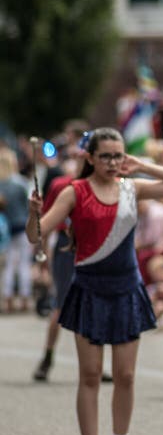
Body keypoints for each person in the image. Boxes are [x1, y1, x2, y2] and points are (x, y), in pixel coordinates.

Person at [26, 127, 163, 435]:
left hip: (127, 288)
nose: (113, 162)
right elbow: (37, 234)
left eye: (118, 155)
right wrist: (32, 212)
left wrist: (143, 164)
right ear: (90, 158)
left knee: (126, 376)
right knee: (90, 375)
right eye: (106, 156)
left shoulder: (133, 187)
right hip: (90, 289)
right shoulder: (74, 192)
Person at [32, 147, 82, 381]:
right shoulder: (62, 184)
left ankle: (94, 363)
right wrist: (41, 250)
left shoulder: (107, 185)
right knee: (62, 305)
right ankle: (48, 356)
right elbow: (46, 222)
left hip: (95, 246)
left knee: (94, 305)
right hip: (66, 247)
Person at [0, 146, 33, 312]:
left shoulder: (1, 184)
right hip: (22, 226)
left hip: (6, 228)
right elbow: (29, 206)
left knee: (9, 266)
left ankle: (8, 299)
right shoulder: (20, 183)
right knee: (24, 264)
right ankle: (25, 298)